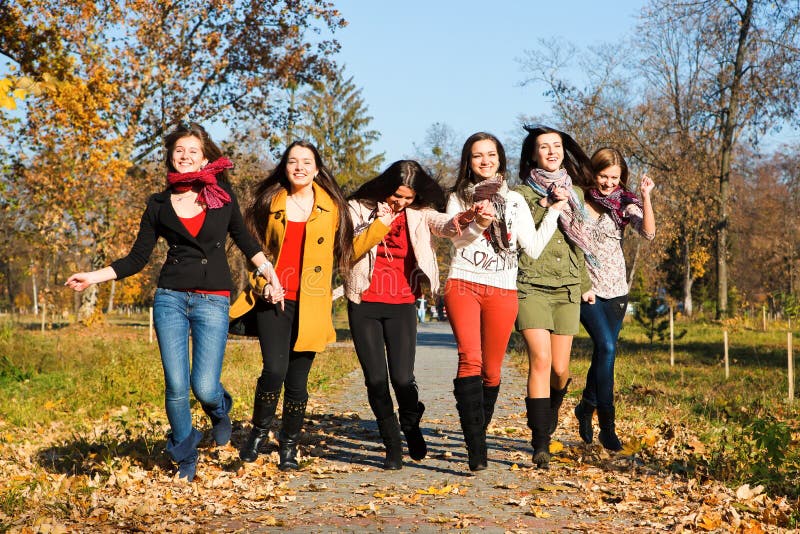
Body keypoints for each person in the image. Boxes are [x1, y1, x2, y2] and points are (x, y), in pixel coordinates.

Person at [66, 122, 275, 481]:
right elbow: (136, 259)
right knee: (176, 385)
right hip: (170, 299)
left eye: (193, 151)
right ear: (171, 157)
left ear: (205, 157)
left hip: (212, 299)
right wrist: (93, 276)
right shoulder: (158, 204)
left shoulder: (222, 197)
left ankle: (220, 408)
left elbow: (244, 240)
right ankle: (185, 454)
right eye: (179, 151)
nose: (185, 156)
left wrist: (269, 272)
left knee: (204, 386)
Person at [232, 140, 366, 471]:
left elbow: (346, 252)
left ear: (317, 169)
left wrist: (380, 227)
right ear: (285, 167)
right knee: (273, 371)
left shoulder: (333, 209)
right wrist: (263, 285)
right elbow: (253, 252)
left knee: (298, 382)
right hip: (274, 301)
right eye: (293, 161)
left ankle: (289, 446)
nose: (300, 167)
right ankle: (258, 434)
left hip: (312, 304)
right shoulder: (267, 203)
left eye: (307, 162)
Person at [445, 132, 567, 471]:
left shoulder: (514, 201)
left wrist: (554, 211)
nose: (484, 161)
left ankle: (477, 429)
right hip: (464, 283)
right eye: (477, 156)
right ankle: (476, 448)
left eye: (490, 154)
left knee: (492, 370)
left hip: (502, 289)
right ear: (468, 162)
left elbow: (533, 247)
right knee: (470, 359)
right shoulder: (457, 198)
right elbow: (458, 241)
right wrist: (477, 223)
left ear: (500, 159)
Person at [345, 160, 464, 470]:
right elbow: (350, 249)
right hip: (364, 301)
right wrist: (380, 223)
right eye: (395, 195)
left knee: (402, 377)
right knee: (376, 379)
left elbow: (444, 224)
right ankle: (392, 444)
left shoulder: (418, 213)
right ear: (385, 188)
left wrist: (465, 219)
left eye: (407, 198)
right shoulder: (357, 207)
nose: (399, 202)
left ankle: (410, 421)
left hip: (402, 302)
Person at [514, 125, 596, 469]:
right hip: (530, 284)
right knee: (541, 361)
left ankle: (553, 405)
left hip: (566, 288)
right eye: (543, 147)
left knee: (561, 369)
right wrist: (547, 203)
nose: (551, 152)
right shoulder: (519, 193)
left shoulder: (575, 192)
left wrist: (584, 282)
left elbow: (577, 242)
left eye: (556, 146)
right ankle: (540, 441)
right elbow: (524, 236)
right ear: (533, 154)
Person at [574, 148, 655, 451]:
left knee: (603, 353)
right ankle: (608, 425)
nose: (608, 183)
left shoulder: (624, 203)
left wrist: (645, 197)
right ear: (593, 174)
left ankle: (586, 406)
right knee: (606, 346)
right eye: (603, 176)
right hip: (588, 289)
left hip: (617, 290)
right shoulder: (578, 201)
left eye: (615, 178)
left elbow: (648, 234)